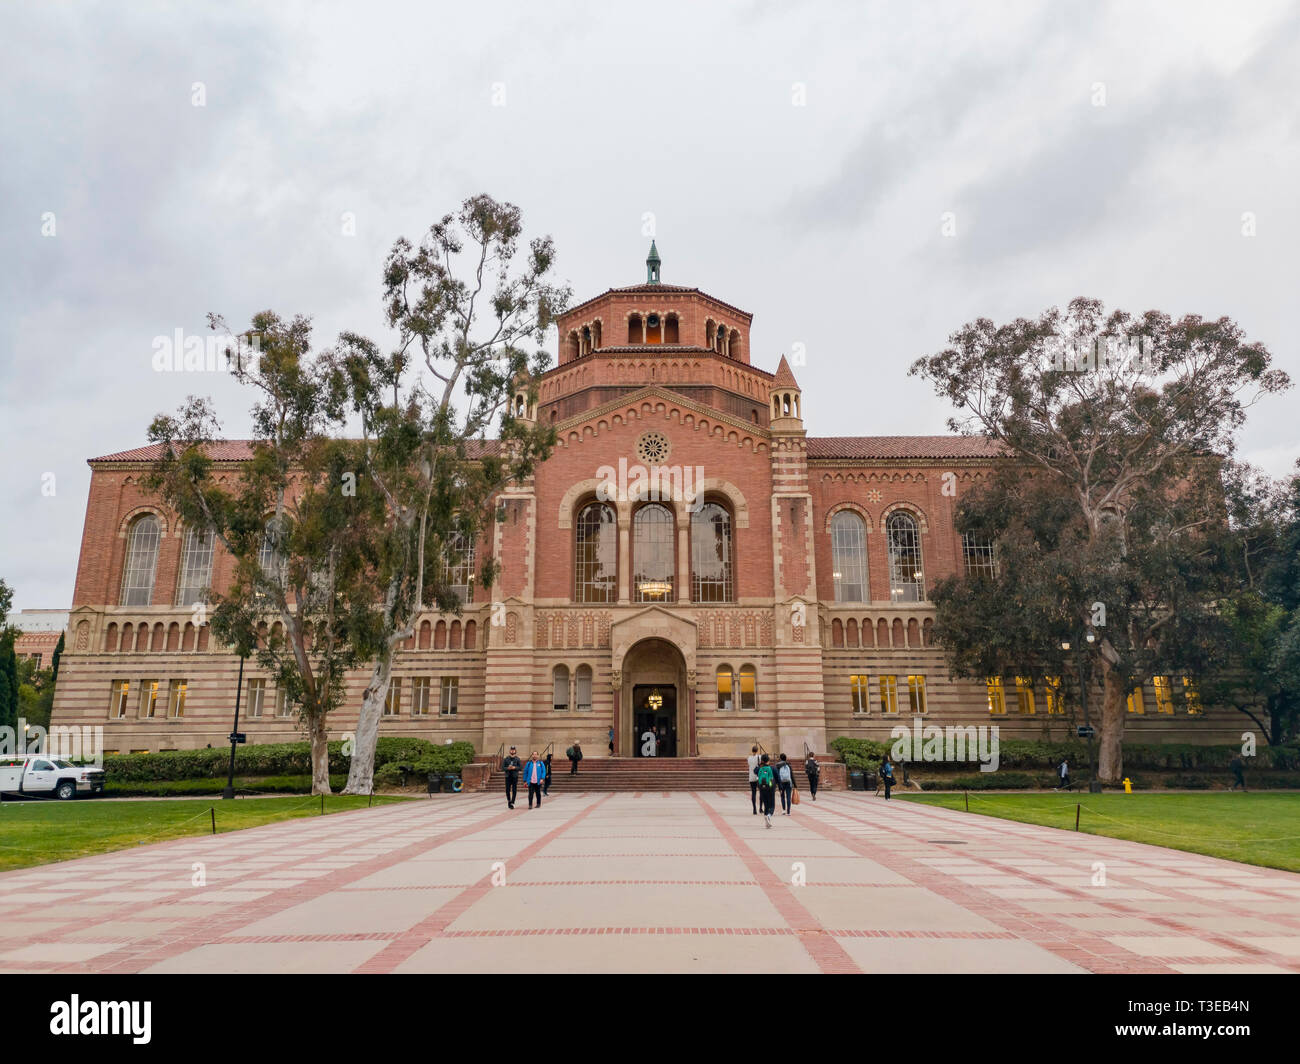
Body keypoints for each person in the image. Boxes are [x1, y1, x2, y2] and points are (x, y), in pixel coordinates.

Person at [756, 753, 777, 827]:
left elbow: (758, 779)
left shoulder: (760, 769)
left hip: (762, 789)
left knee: (766, 805)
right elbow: (771, 779)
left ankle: (766, 822)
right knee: (772, 806)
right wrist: (772, 787)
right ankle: (769, 816)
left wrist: (760, 788)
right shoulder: (769, 769)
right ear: (768, 760)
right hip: (769, 789)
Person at [747, 745, 761, 814]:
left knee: (753, 793)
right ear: (757, 750)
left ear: (752, 750)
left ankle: (754, 809)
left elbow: (749, 765)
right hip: (758, 777)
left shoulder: (749, 758)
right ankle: (761, 808)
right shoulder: (759, 757)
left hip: (751, 777)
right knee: (761, 792)